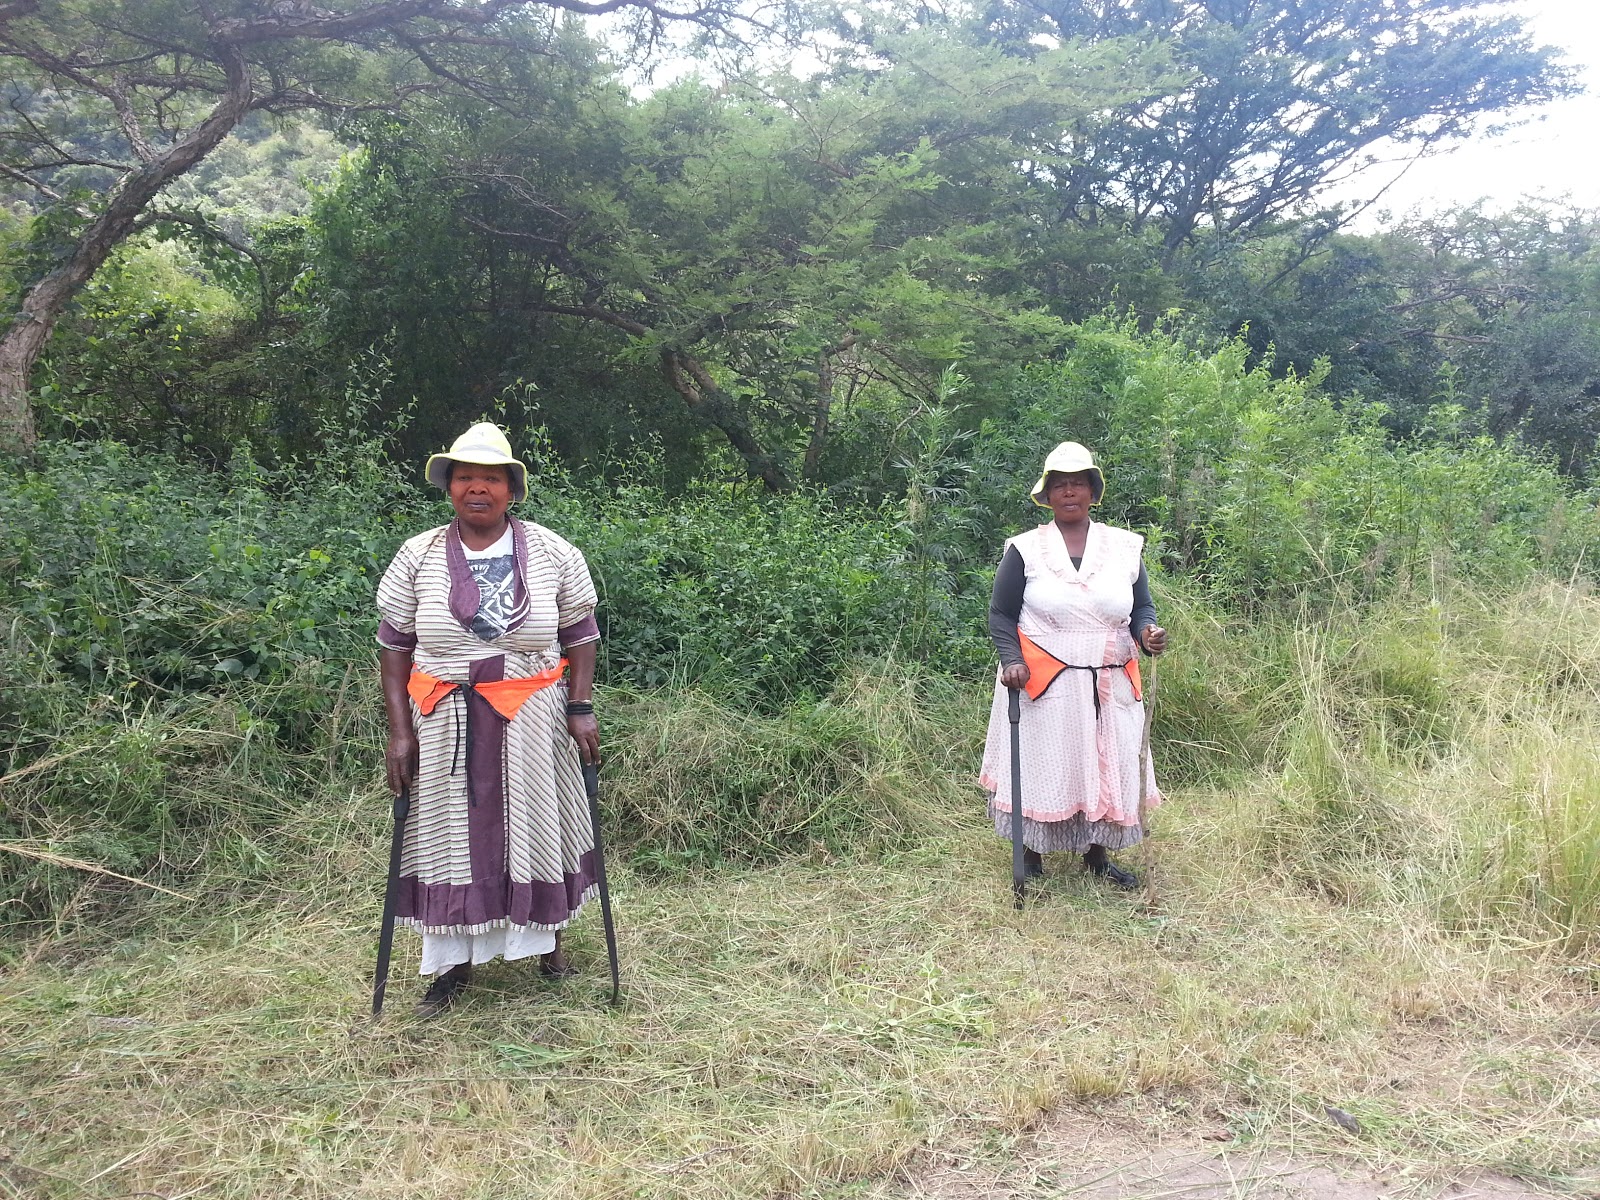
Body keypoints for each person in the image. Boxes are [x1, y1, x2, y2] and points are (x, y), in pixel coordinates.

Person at [376, 422, 602, 1017]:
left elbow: (581, 634)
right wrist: (400, 733)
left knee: (540, 827)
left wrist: (580, 707)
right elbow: (394, 645)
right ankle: (452, 968)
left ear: (511, 488)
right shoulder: (417, 554)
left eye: (491, 478)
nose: (479, 488)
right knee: (449, 839)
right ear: (450, 487)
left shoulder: (555, 553)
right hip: (444, 716)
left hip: (533, 716)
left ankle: (548, 941)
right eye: (466, 477)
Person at [979, 441, 1168, 889]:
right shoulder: (1023, 549)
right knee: (1044, 765)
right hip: (1044, 681)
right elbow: (1001, 615)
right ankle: (1029, 858)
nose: (1069, 492)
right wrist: (1011, 659)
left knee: (1102, 764)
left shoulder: (1124, 547)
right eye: (1060, 485)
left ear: (1092, 490)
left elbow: (1142, 608)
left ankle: (1097, 856)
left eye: (1078, 483)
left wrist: (1148, 633)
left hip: (1110, 679)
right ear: (1046, 495)